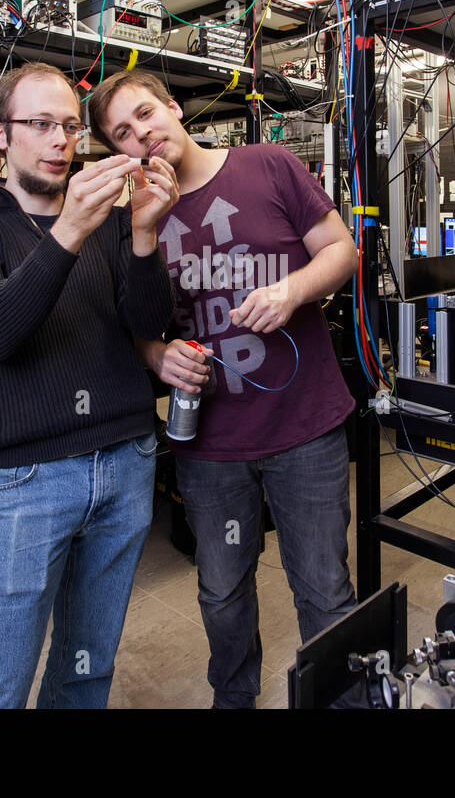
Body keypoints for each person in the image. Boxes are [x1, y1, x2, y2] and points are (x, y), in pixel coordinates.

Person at [89, 69, 359, 708]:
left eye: (147, 115)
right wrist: (156, 356)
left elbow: (341, 250)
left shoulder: (269, 165)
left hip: (305, 428)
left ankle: (339, 700)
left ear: (174, 108)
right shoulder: (131, 219)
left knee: (323, 587)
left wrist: (292, 290)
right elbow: (128, 328)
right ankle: (233, 699)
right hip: (209, 444)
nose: (143, 137)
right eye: (122, 135)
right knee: (222, 591)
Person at [0, 61, 178, 708]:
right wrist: (70, 230)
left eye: (69, 125)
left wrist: (144, 232)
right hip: (25, 482)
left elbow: (150, 325)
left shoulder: (114, 224)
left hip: (125, 463)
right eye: (40, 124)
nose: (60, 139)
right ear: (1, 135)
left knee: (85, 673)